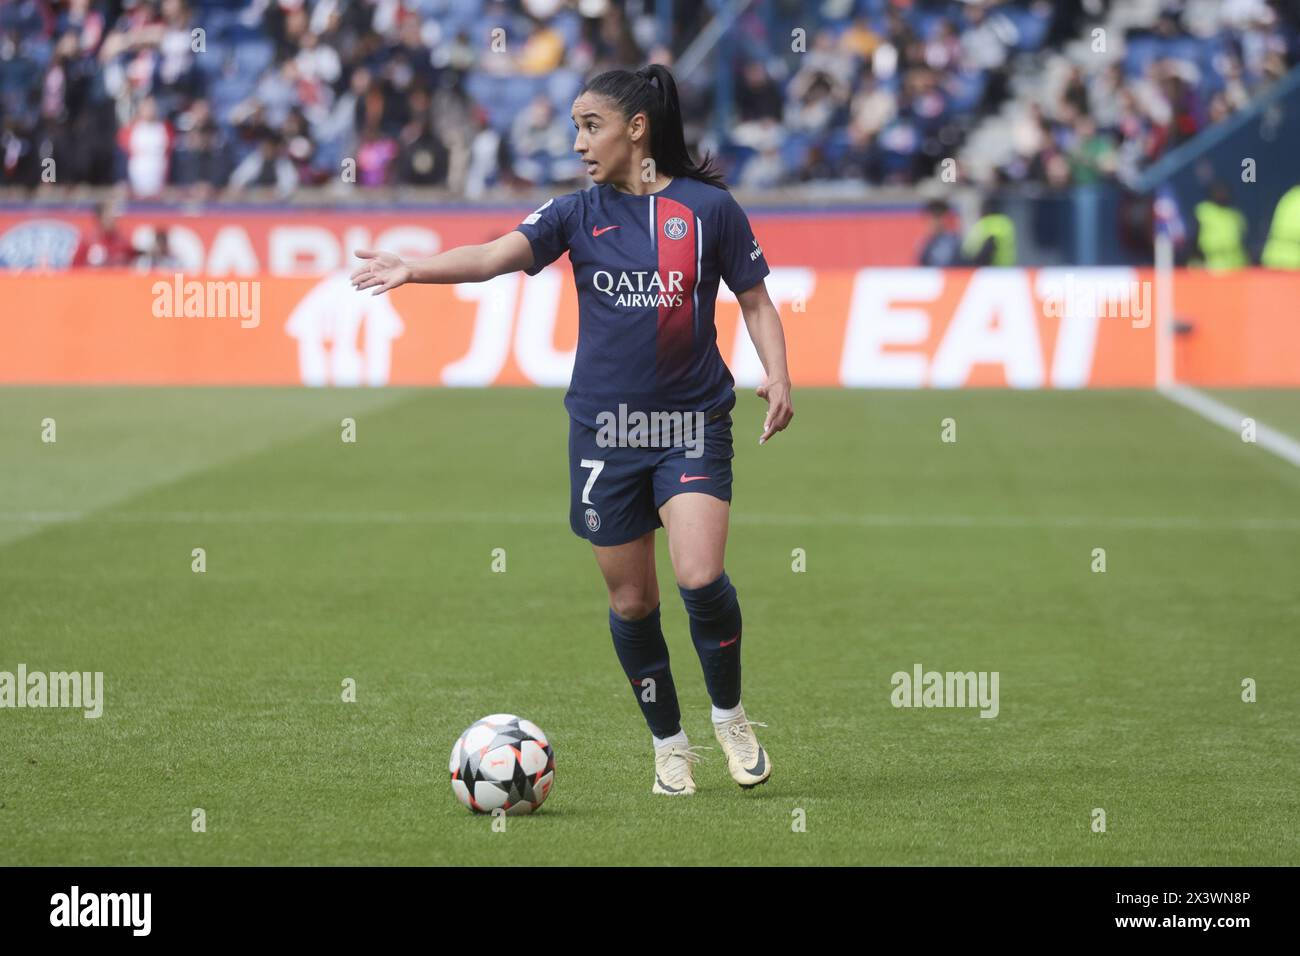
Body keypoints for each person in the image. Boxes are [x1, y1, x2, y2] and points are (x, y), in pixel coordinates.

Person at [350, 65, 793, 798]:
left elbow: (755, 300)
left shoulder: (709, 210)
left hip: (691, 423)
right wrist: (415, 269)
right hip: (604, 433)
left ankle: (731, 717)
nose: (580, 143)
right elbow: (492, 257)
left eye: (592, 126)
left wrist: (777, 373)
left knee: (699, 576)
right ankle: (670, 745)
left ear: (637, 129)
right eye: (576, 128)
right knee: (633, 603)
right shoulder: (573, 214)